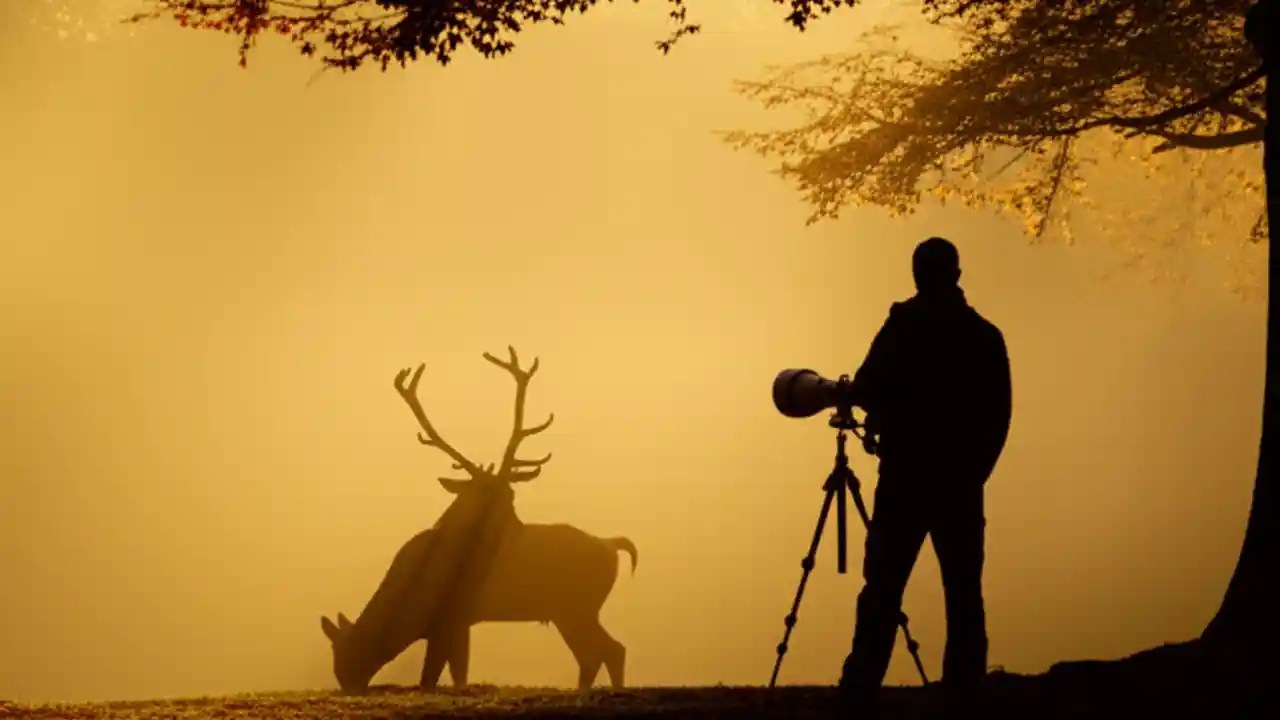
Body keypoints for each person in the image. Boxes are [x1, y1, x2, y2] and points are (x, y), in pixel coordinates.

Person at [838, 236, 1012, 717]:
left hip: (905, 480)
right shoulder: (984, 336)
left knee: (883, 587)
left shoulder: (902, 326)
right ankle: (964, 690)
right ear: (956, 274)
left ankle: (860, 688)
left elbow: (866, 386)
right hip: (960, 484)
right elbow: (998, 416)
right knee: (963, 592)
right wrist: (975, 473)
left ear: (917, 275)